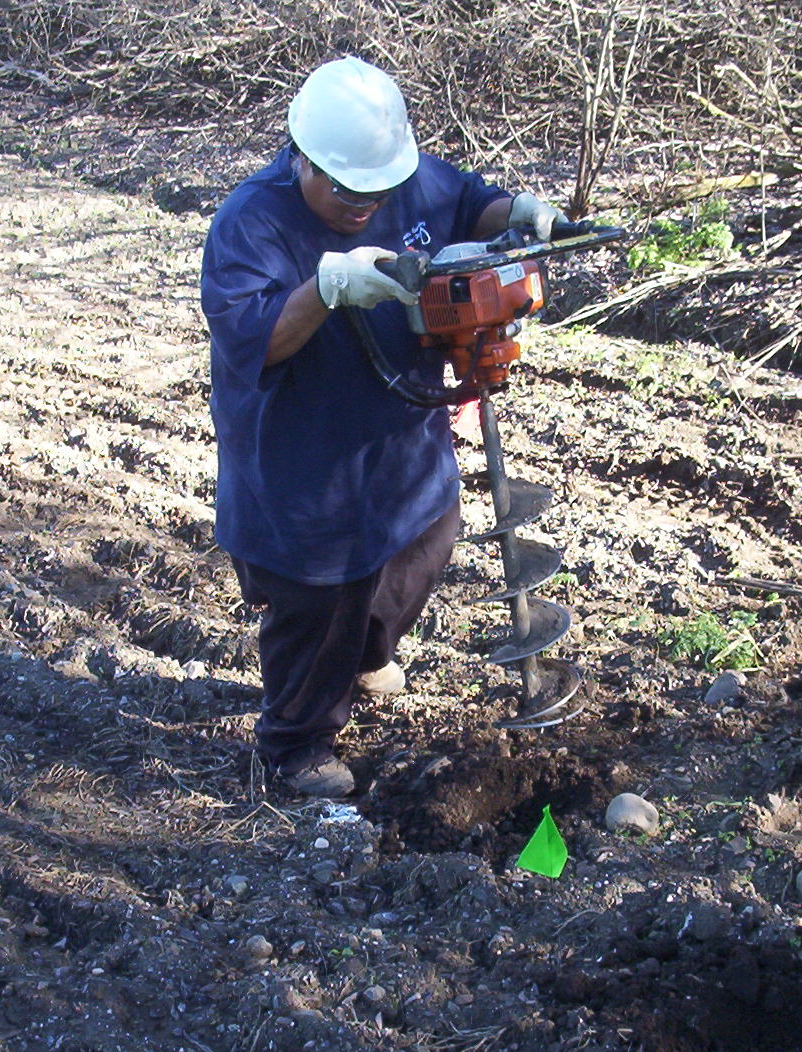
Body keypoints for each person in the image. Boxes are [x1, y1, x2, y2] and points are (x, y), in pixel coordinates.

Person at [201, 56, 563, 799]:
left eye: (378, 189)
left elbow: (468, 203)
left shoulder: (402, 175)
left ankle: (365, 652)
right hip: (304, 464)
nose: (365, 204)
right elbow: (254, 342)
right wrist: (326, 287)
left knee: (424, 543)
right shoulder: (251, 224)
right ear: (301, 157)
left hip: (403, 445)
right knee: (321, 602)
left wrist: (517, 213)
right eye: (346, 191)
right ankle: (295, 743)